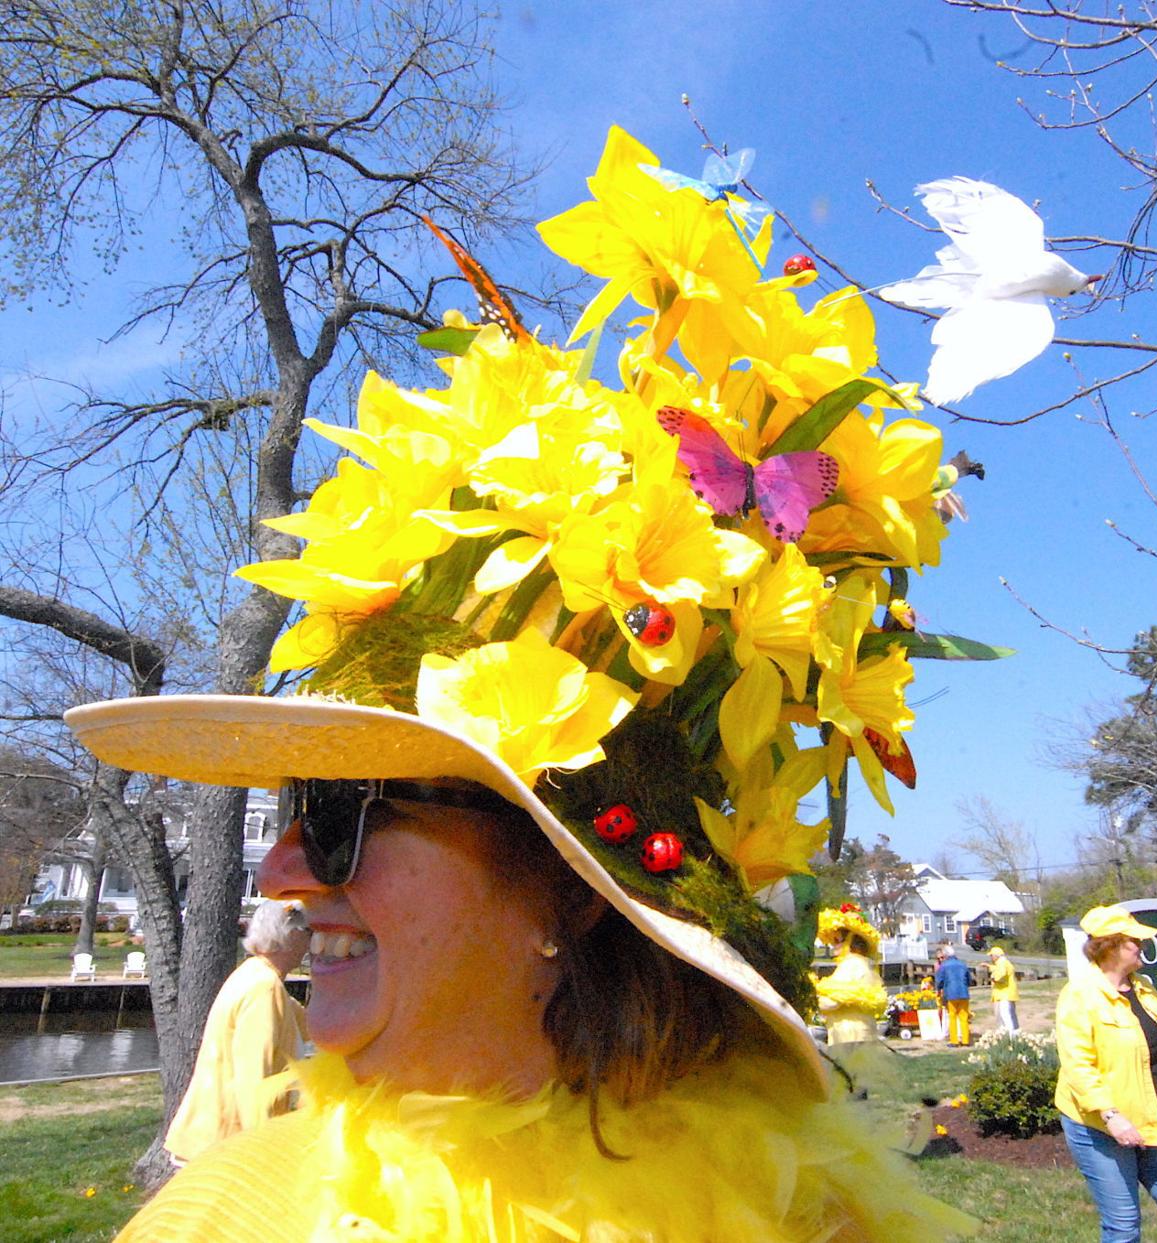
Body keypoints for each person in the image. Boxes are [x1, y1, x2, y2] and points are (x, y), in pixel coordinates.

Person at [67, 125, 981, 1243]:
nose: (284, 866)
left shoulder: (803, 1221)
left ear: (567, 888)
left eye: (342, 813)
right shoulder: (221, 1215)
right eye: (303, 806)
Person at [1055, 904, 1157, 1243]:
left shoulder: (1145, 991)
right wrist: (1111, 1115)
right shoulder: (1080, 996)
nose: (1142, 947)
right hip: (1100, 1128)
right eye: (1134, 942)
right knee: (1123, 1227)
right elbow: (1078, 1065)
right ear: (1111, 947)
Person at [163, 900, 309, 1165]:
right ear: (293, 935)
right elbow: (254, 1078)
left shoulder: (255, 974)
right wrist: (261, 1152)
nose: (312, 942)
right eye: (309, 932)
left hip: (211, 1137)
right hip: (223, 1144)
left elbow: (312, 1027)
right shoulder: (264, 988)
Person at [814, 905, 887, 1045]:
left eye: (836, 940)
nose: (832, 945)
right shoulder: (863, 963)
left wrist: (810, 1001)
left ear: (850, 942)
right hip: (862, 1036)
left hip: (848, 1038)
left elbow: (831, 1002)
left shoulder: (850, 965)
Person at [934, 943, 973, 1047]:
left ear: (946, 955)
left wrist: (938, 989)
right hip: (964, 993)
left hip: (951, 994)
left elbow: (939, 980)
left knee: (952, 1017)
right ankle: (965, 1040)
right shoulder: (962, 964)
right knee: (964, 1017)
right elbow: (969, 979)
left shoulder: (944, 966)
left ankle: (954, 1041)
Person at [987, 945, 1019, 1032]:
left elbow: (1001, 974)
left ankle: (1010, 1035)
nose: (991, 958)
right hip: (1008, 993)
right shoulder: (1004, 962)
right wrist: (989, 967)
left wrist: (994, 979)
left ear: (996, 956)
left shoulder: (1001, 963)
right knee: (1011, 1015)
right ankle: (1014, 1033)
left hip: (1004, 994)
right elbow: (998, 969)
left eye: (991, 956)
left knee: (1005, 1016)